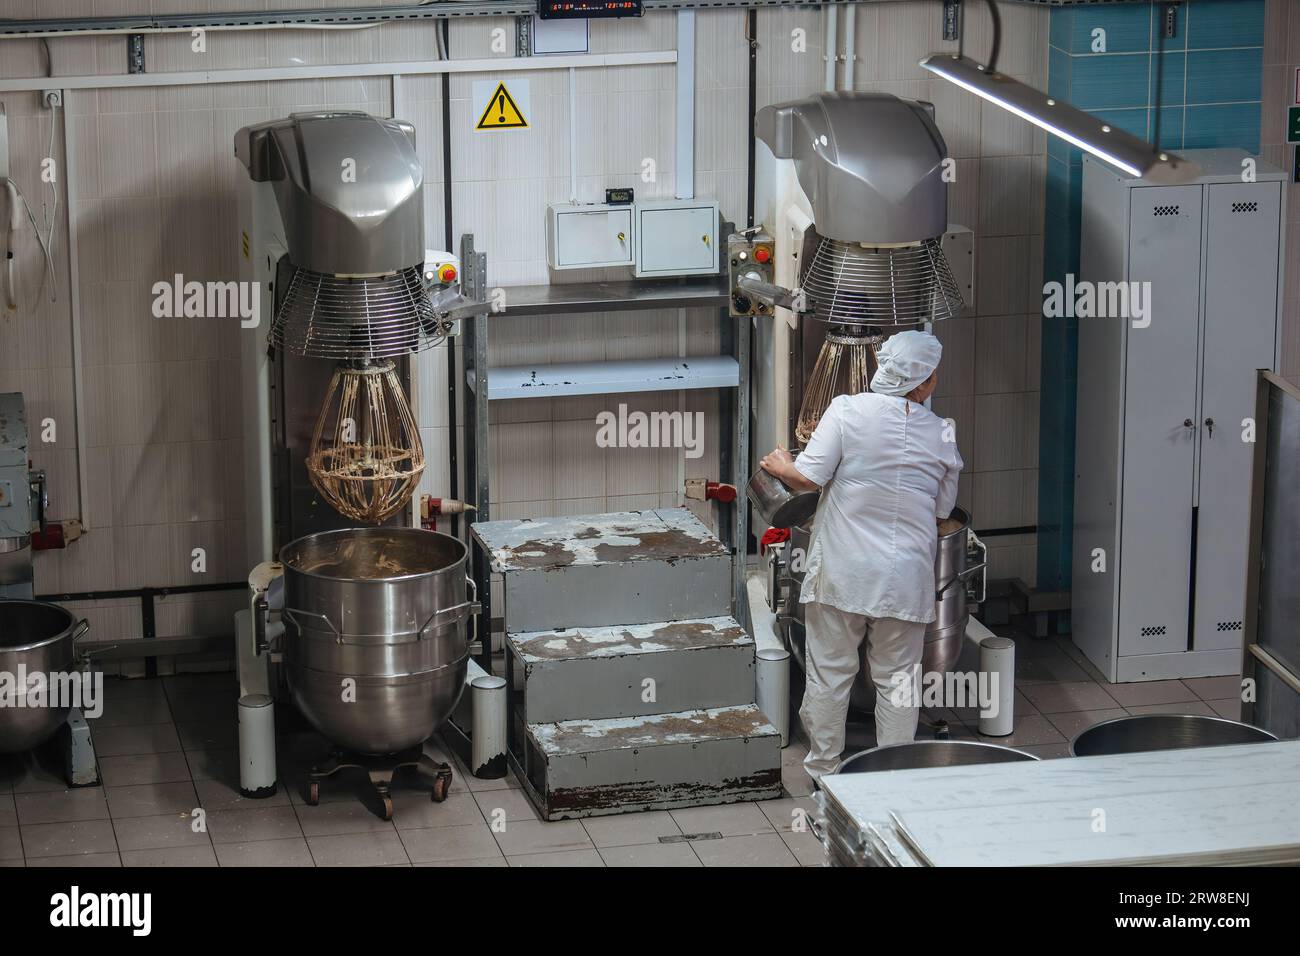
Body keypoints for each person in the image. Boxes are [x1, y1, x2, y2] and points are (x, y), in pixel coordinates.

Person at [759, 330, 963, 780]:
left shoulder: (848, 410)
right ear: (926, 383)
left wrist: (778, 466)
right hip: (905, 578)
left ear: (881, 369)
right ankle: (893, 778)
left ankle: (824, 775)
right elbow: (942, 510)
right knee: (898, 683)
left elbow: (808, 477)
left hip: (843, 572)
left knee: (830, 676)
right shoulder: (942, 433)